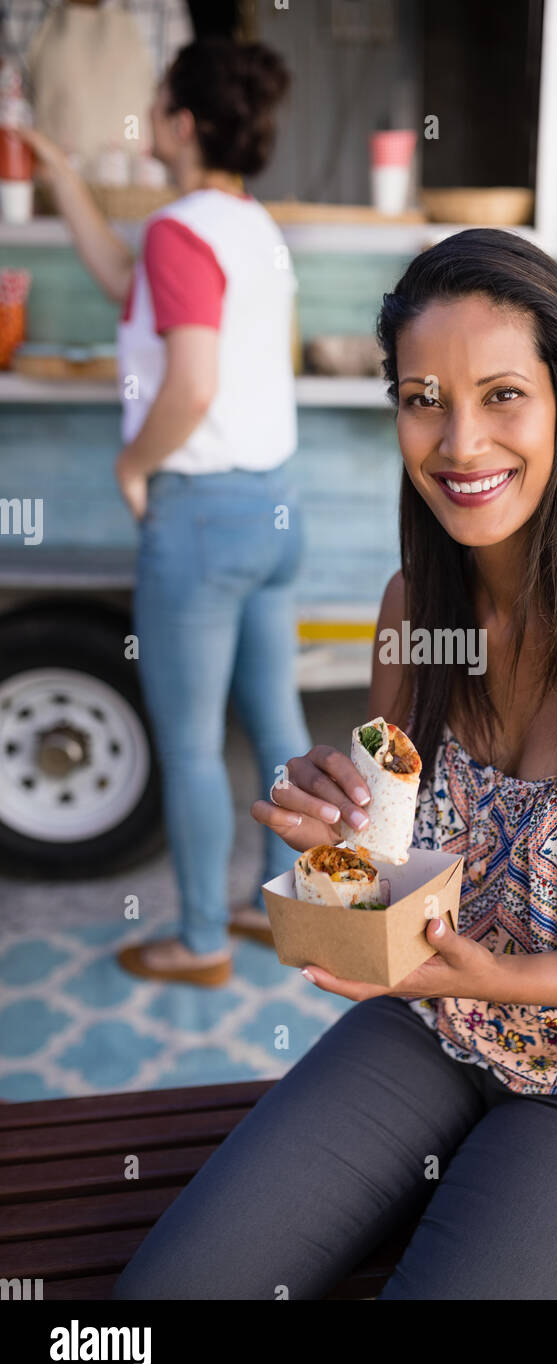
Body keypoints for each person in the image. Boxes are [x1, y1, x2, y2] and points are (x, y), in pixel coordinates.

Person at [112, 228, 557, 1299]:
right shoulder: (413, 613)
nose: (459, 441)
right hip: (435, 1018)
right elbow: (393, 862)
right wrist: (335, 837)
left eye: (501, 395)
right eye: (422, 397)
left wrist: (519, 980)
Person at [23, 38, 312, 987]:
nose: (148, 113)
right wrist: (61, 169)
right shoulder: (248, 226)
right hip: (273, 507)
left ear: (184, 123)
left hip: (200, 514)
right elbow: (122, 283)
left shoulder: (181, 231)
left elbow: (188, 384)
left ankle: (199, 942)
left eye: (158, 102)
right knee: (275, 724)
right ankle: (280, 907)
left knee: (190, 741)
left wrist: (134, 462)